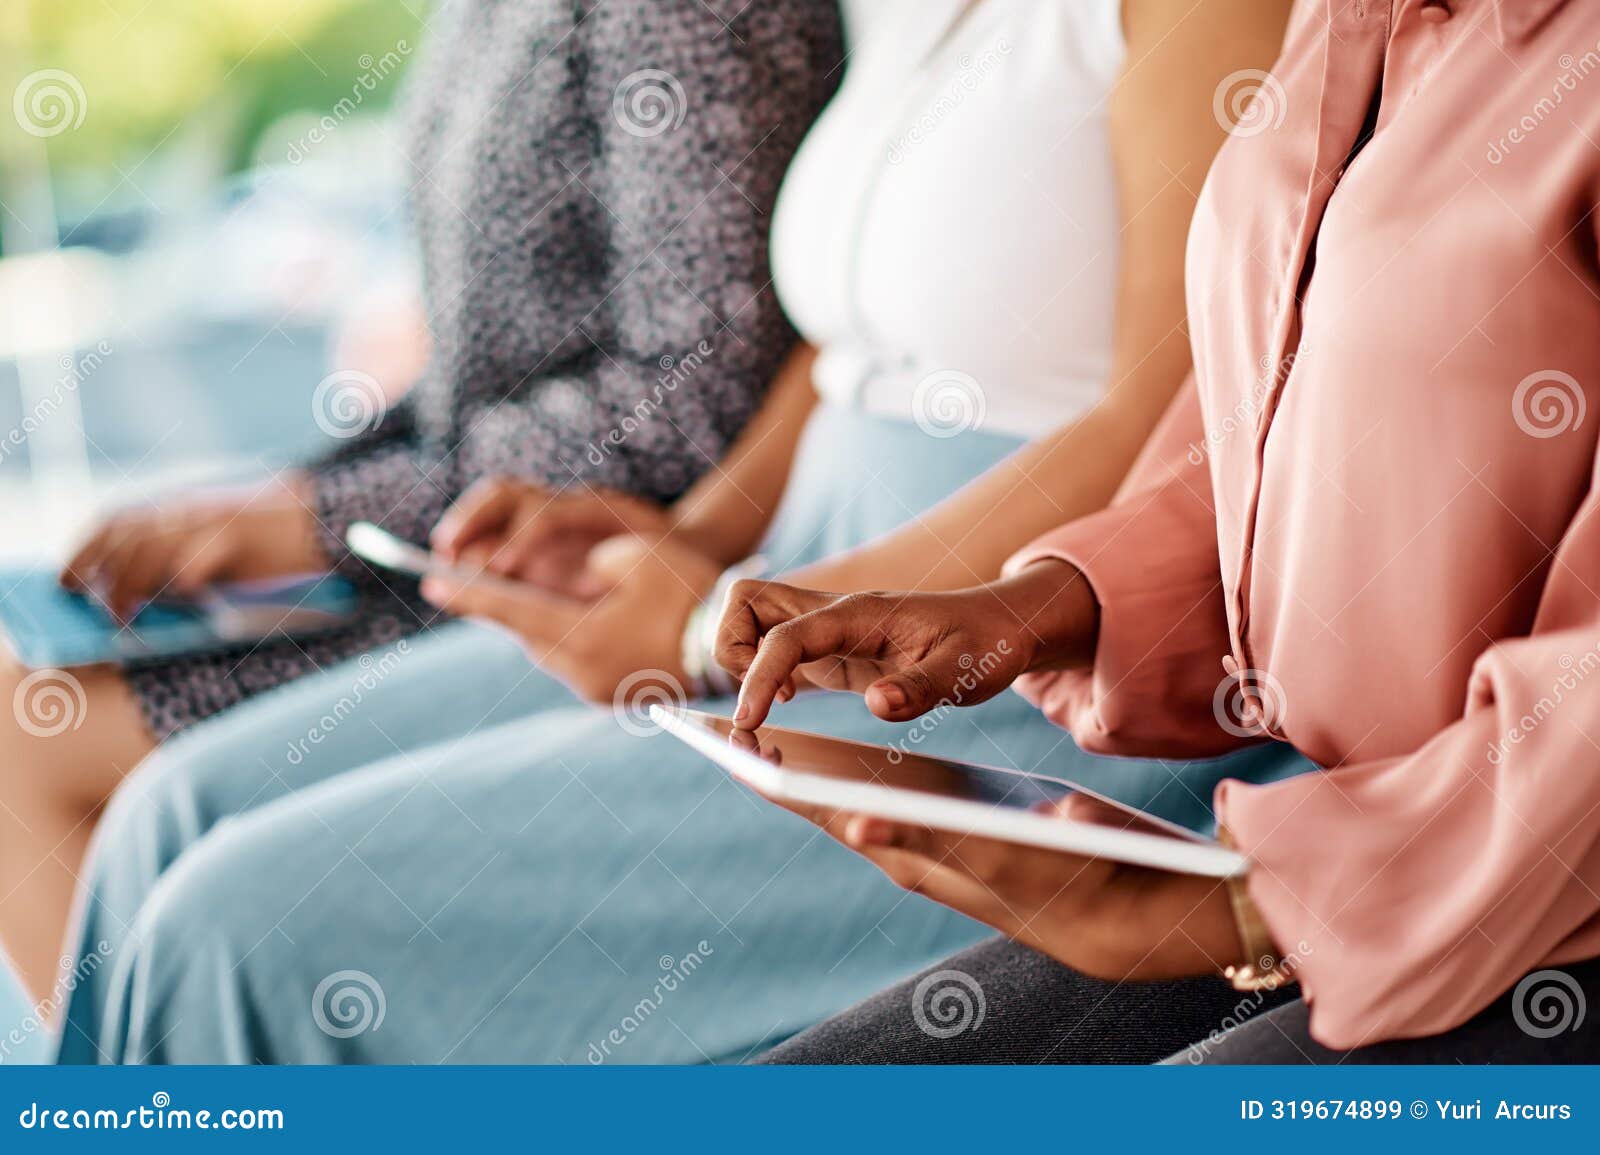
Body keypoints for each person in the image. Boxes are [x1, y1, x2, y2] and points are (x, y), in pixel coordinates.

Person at [55, 0, 1302, 1064]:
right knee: (170, 810)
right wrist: (692, 545)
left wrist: (735, 619)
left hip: (1001, 650)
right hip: (806, 568)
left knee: (242, 930)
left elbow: (1169, 408)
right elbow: (849, 347)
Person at [721, 0, 1600, 1064]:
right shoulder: (1350, 19)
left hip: (1528, 885)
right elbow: (1264, 426)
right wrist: (1042, 605)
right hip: (1357, 843)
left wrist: (1250, 908)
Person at [0, 0, 843, 1007]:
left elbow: (698, 395)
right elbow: (475, 381)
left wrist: (317, 519)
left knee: (29, 749)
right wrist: (289, 497)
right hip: (452, 545)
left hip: (576, 567)